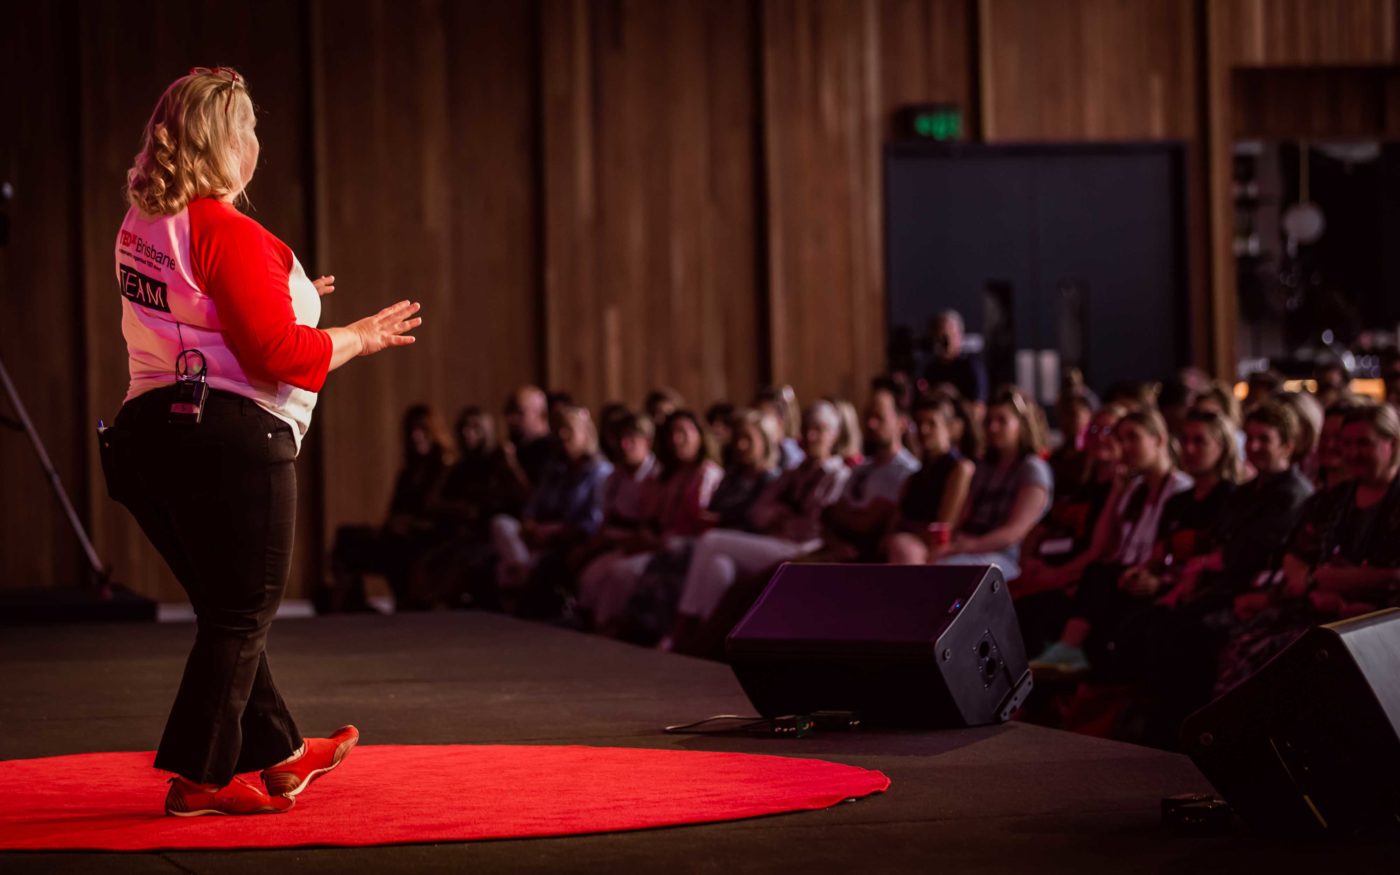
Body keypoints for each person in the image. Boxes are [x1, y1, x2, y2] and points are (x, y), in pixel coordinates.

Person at [100, 67, 421, 815]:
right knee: (242, 613)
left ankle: (279, 753)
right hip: (227, 441)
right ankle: (199, 779)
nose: (256, 143)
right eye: (248, 129)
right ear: (225, 144)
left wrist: (293, 295)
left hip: (146, 441)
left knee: (226, 608)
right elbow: (278, 356)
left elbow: (197, 307)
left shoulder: (143, 226)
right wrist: (360, 335)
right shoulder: (231, 231)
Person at [665, 401, 849, 647]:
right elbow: (758, 513)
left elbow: (814, 526)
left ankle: (681, 625)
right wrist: (782, 516)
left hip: (803, 550)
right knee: (719, 565)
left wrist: (780, 517)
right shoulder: (791, 474)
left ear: (833, 435)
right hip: (773, 541)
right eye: (806, 429)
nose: (810, 436)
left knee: (710, 540)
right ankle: (709, 640)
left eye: (818, 430)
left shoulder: (837, 475)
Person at [1027, 409, 1193, 675]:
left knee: (1097, 578)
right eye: (1121, 439)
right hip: (1121, 573)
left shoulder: (1179, 488)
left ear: (1159, 439)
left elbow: (1164, 552)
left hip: (1146, 577)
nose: (1124, 447)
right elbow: (1105, 544)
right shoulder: (1135, 489)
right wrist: (1117, 491)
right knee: (1047, 601)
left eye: (1133, 438)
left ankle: (1070, 649)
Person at [575, 411, 723, 634]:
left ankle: (612, 630)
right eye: (672, 434)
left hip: (680, 548)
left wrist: (656, 539)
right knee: (593, 575)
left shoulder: (707, 474)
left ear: (700, 436)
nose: (676, 440)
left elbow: (702, 521)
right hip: (653, 541)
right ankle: (594, 625)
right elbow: (651, 517)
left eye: (683, 433)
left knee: (622, 573)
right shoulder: (668, 475)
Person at [323, 404, 454, 612]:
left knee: (398, 547)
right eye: (412, 430)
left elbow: (443, 515)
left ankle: (399, 603)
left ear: (434, 432)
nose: (416, 436)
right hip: (398, 533)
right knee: (346, 537)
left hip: (425, 537)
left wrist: (413, 524)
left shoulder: (446, 469)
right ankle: (350, 605)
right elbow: (394, 511)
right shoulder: (408, 472)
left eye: (422, 429)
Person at [490, 405, 613, 616]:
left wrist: (556, 531)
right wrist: (530, 524)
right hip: (538, 535)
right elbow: (533, 505)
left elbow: (594, 520)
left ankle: (523, 581)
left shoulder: (599, 471)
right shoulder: (556, 469)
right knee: (501, 524)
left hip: (570, 538)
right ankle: (523, 570)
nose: (562, 435)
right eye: (559, 430)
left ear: (585, 433)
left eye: (569, 430)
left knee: (507, 570)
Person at [929, 386, 1053, 580]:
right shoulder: (984, 467)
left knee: (947, 573)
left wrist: (969, 546)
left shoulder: (1032, 469)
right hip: (969, 547)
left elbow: (1015, 532)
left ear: (1020, 424)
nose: (993, 428)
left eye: (1002, 421)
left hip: (1005, 557)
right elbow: (964, 515)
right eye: (989, 421)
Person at [884, 393, 976, 564]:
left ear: (949, 428)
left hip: (928, 551)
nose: (923, 430)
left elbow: (943, 528)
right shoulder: (914, 477)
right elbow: (894, 523)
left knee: (904, 548)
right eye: (919, 423)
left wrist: (909, 528)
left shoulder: (959, 469)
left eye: (931, 424)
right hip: (904, 544)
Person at [922, 310, 987, 410]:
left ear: (959, 336)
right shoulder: (931, 368)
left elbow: (978, 409)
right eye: (937, 337)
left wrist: (955, 397)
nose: (941, 343)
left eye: (946, 337)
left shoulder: (970, 367)